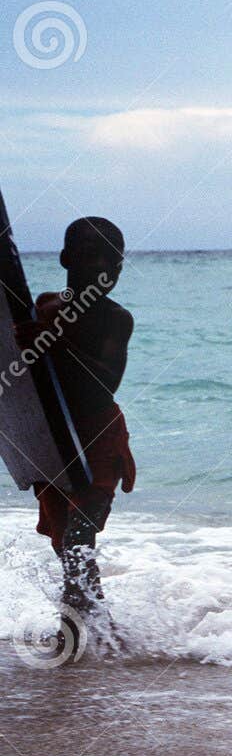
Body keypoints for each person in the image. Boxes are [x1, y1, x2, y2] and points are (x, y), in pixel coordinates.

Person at [13, 218, 137, 653]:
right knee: (67, 547)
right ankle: (104, 638)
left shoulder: (115, 319)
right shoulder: (45, 307)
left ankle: (69, 644)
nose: (104, 267)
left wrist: (54, 342)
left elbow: (106, 384)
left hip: (98, 440)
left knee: (80, 539)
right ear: (65, 259)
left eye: (114, 260)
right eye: (91, 255)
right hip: (50, 440)